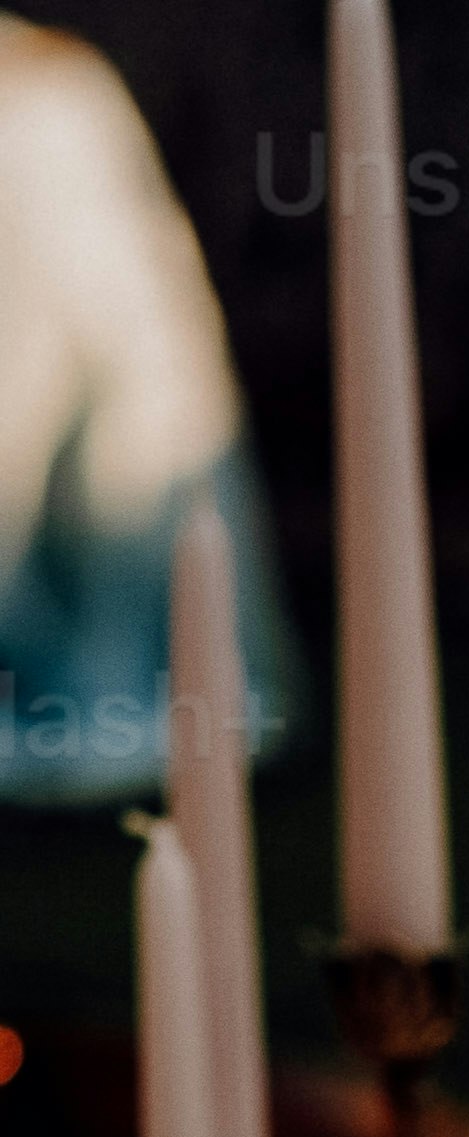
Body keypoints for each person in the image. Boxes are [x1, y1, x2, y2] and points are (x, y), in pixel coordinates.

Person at [0, 19, 298, 807]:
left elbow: (130, 363)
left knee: (113, 417)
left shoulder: (51, 104)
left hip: (39, 139)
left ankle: (110, 656)